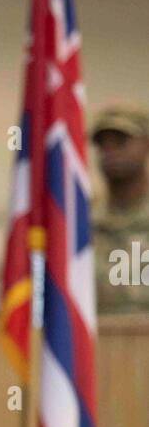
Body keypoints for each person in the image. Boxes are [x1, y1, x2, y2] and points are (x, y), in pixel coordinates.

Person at [90, 106, 149, 315]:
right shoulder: (83, 222)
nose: (110, 152)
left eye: (120, 142)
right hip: (99, 341)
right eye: (102, 145)